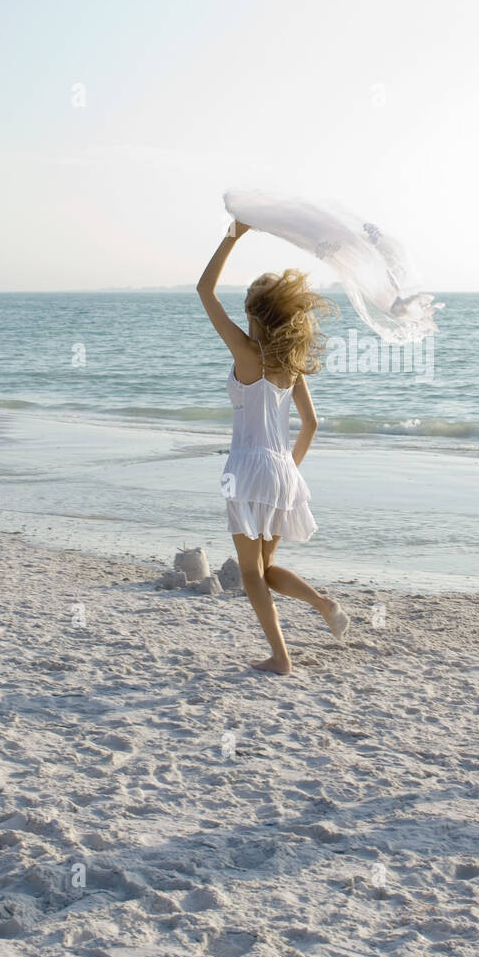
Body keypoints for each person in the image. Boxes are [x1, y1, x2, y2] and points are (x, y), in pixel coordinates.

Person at [196, 221, 350, 674]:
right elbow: (311, 425)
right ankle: (323, 604)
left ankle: (281, 658)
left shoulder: (247, 353)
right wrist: (289, 470)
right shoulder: (291, 366)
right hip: (284, 471)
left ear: (252, 311)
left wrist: (232, 235)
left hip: (245, 469)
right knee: (265, 569)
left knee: (249, 575)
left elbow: (205, 290)